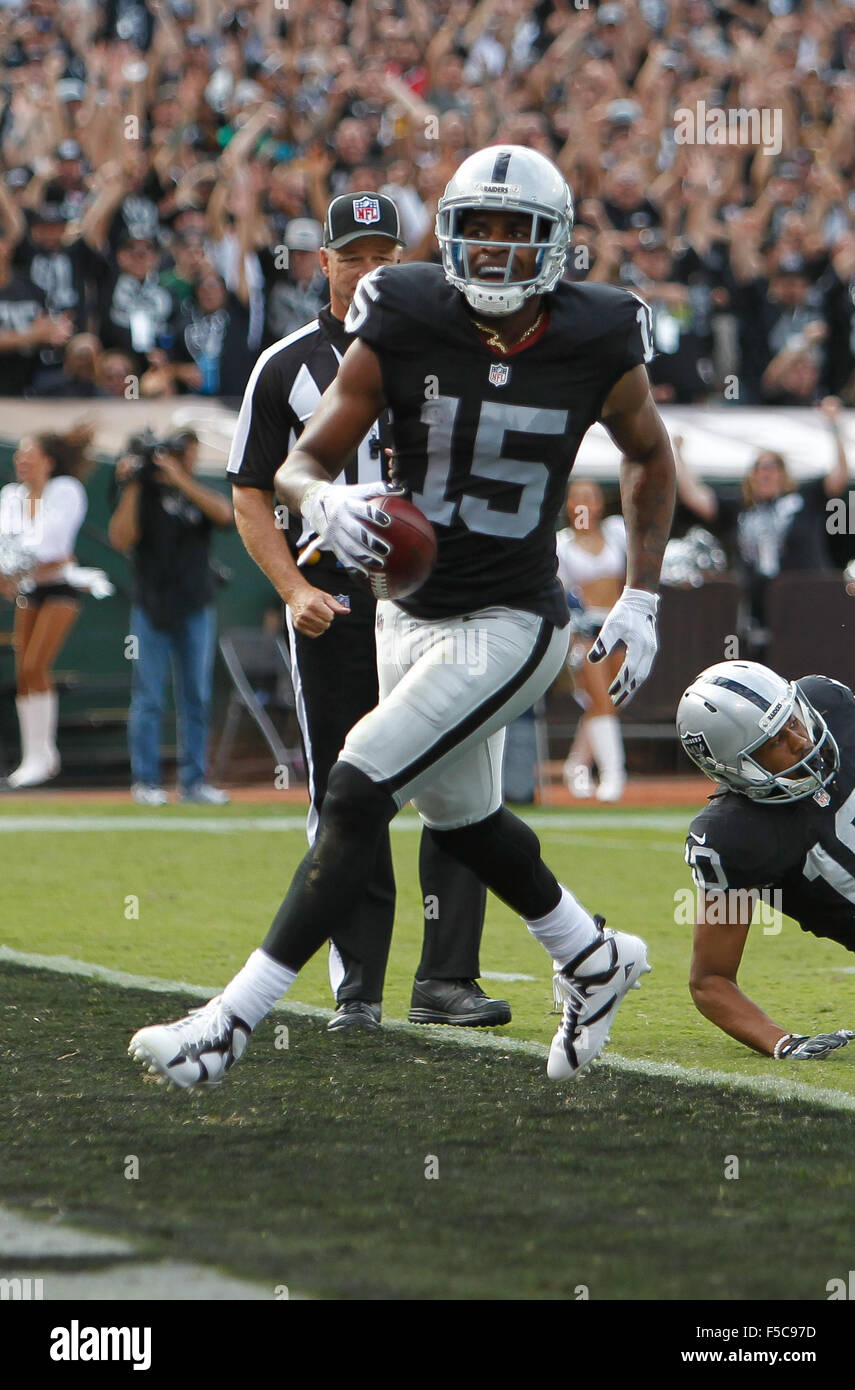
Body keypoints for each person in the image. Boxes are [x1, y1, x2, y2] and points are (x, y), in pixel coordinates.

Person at [128, 144, 676, 1090]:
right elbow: (298, 462)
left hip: (514, 616)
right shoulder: (405, 309)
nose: (498, 253)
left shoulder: (597, 332)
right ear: (449, 239)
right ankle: (592, 957)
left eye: (519, 233)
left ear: (557, 243)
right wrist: (328, 502)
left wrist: (641, 595)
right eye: (482, 230)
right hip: (404, 608)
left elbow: (651, 456)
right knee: (464, 818)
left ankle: (229, 1023)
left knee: (354, 786)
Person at [227, 190, 506, 1031]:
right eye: (354, 256)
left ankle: (447, 978)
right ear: (325, 265)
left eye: (387, 256)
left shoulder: (453, 350)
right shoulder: (284, 366)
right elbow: (247, 494)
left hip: (441, 596)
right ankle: (360, 987)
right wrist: (293, 589)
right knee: (351, 790)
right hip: (339, 600)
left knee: (461, 783)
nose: (370, 270)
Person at [677, 660, 855, 1060]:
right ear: (734, 766)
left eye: (793, 720)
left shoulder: (830, 708)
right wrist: (782, 1042)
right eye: (775, 741)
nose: (800, 741)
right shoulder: (736, 838)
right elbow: (711, 979)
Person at [108, 429, 234, 806]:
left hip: (195, 605)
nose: (182, 459)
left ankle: (194, 784)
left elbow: (226, 515)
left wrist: (181, 480)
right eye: (177, 453)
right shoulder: (140, 493)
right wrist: (132, 485)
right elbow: (120, 539)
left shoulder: (197, 491)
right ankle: (146, 783)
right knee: (148, 696)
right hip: (151, 605)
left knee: (196, 696)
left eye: (186, 454)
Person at [675, 398, 849, 654]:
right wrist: (676, 453)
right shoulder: (740, 508)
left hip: (804, 601)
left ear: (783, 473)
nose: (765, 473)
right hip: (757, 609)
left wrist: (835, 427)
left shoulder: (804, 498)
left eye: (772, 467)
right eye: (759, 468)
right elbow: (695, 497)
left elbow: (839, 478)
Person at [0, 425, 93, 789]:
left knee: (38, 664)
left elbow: (52, 547)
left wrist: (20, 568)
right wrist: (14, 571)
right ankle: (36, 757)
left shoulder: (66, 491)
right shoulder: (10, 496)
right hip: (28, 588)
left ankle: (43, 754)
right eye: (19, 454)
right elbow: (10, 545)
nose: (22, 460)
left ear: (48, 462)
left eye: (29, 454)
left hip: (62, 587)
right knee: (24, 670)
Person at [556, 478, 627, 802]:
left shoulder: (617, 533)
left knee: (612, 699)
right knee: (599, 698)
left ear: (600, 504)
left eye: (591, 497)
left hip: (617, 626)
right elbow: (560, 595)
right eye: (577, 498)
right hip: (583, 629)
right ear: (569, 505)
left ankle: (576, 766)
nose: (584, 504)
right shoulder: (561, 544)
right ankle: (614, 774)